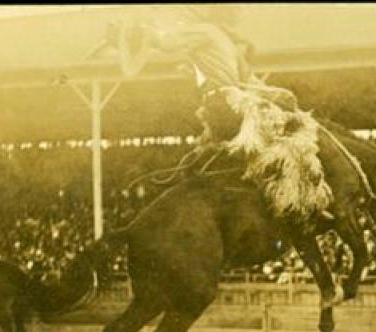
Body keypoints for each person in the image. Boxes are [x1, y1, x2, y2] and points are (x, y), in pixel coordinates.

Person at [102, 14, 332, 225]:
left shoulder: (225, 43)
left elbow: (250, 81)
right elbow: (162, 41)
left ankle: (295, 198)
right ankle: (302, 201)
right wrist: (132, 34)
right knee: (289, 133)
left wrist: (275, 92)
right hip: (224, 102)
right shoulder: (205, 31)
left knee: (292, 129)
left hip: (232, 101)